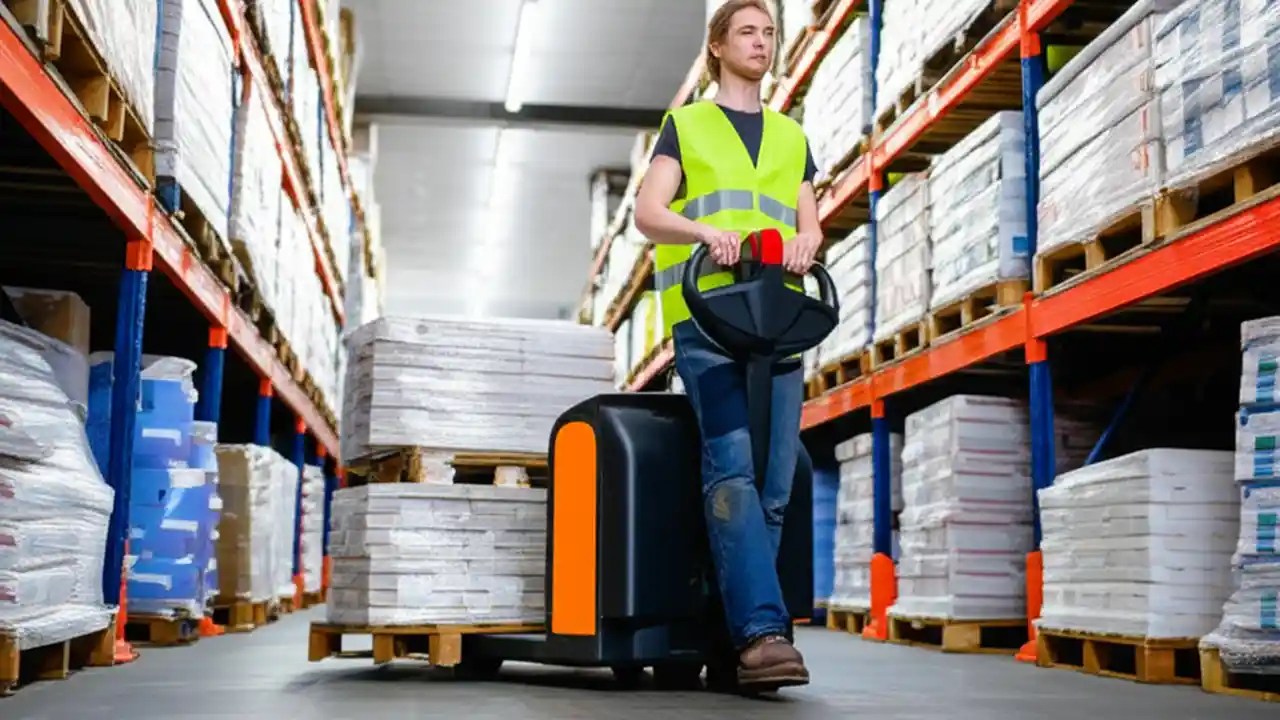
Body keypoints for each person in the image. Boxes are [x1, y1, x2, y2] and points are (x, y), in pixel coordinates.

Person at [632, 0, 822, 692]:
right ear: (716, 46)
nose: (761, 42)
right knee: (733, 469)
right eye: (747, 31)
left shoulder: (792, 136)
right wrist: (702, 232)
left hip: (778, 320)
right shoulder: (686, 126)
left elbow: (809, 222)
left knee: (775, 485)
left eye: (769, 32)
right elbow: (649, 213)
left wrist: (808, 241)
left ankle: (730, 639)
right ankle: (763, 635)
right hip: (709, 318)